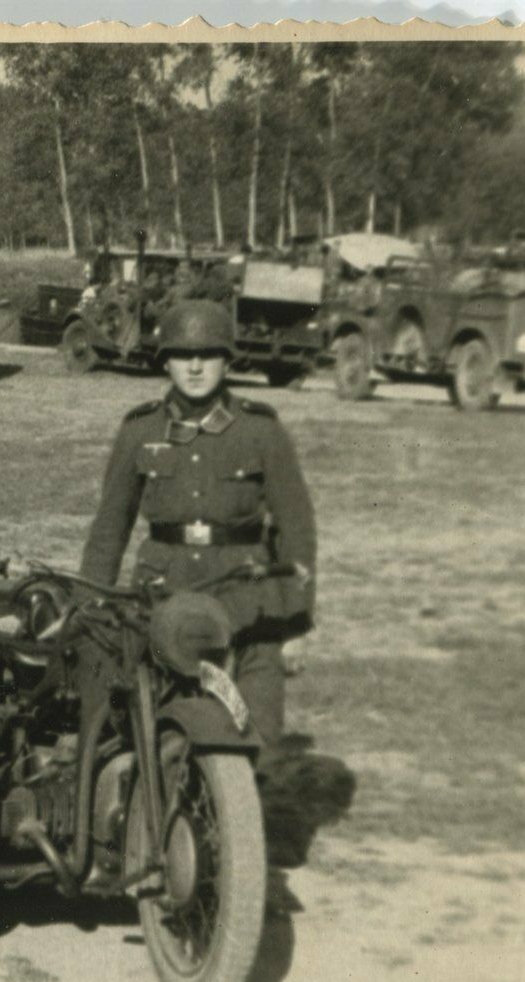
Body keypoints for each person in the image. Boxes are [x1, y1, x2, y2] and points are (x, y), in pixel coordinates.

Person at [79, 299, 352, 865]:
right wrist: (89, 608)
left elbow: (298, 529)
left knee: (262, 736)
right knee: (152, 727)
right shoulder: (140, 432)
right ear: (166, 362)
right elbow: (110, 528)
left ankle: (246, 871)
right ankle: (161, 846)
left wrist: (297, 622)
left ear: (227, 361)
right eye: (182, 356)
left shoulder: (261, 430)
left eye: (207, 355)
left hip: (249, 602)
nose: (196, 367)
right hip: (163, 599)